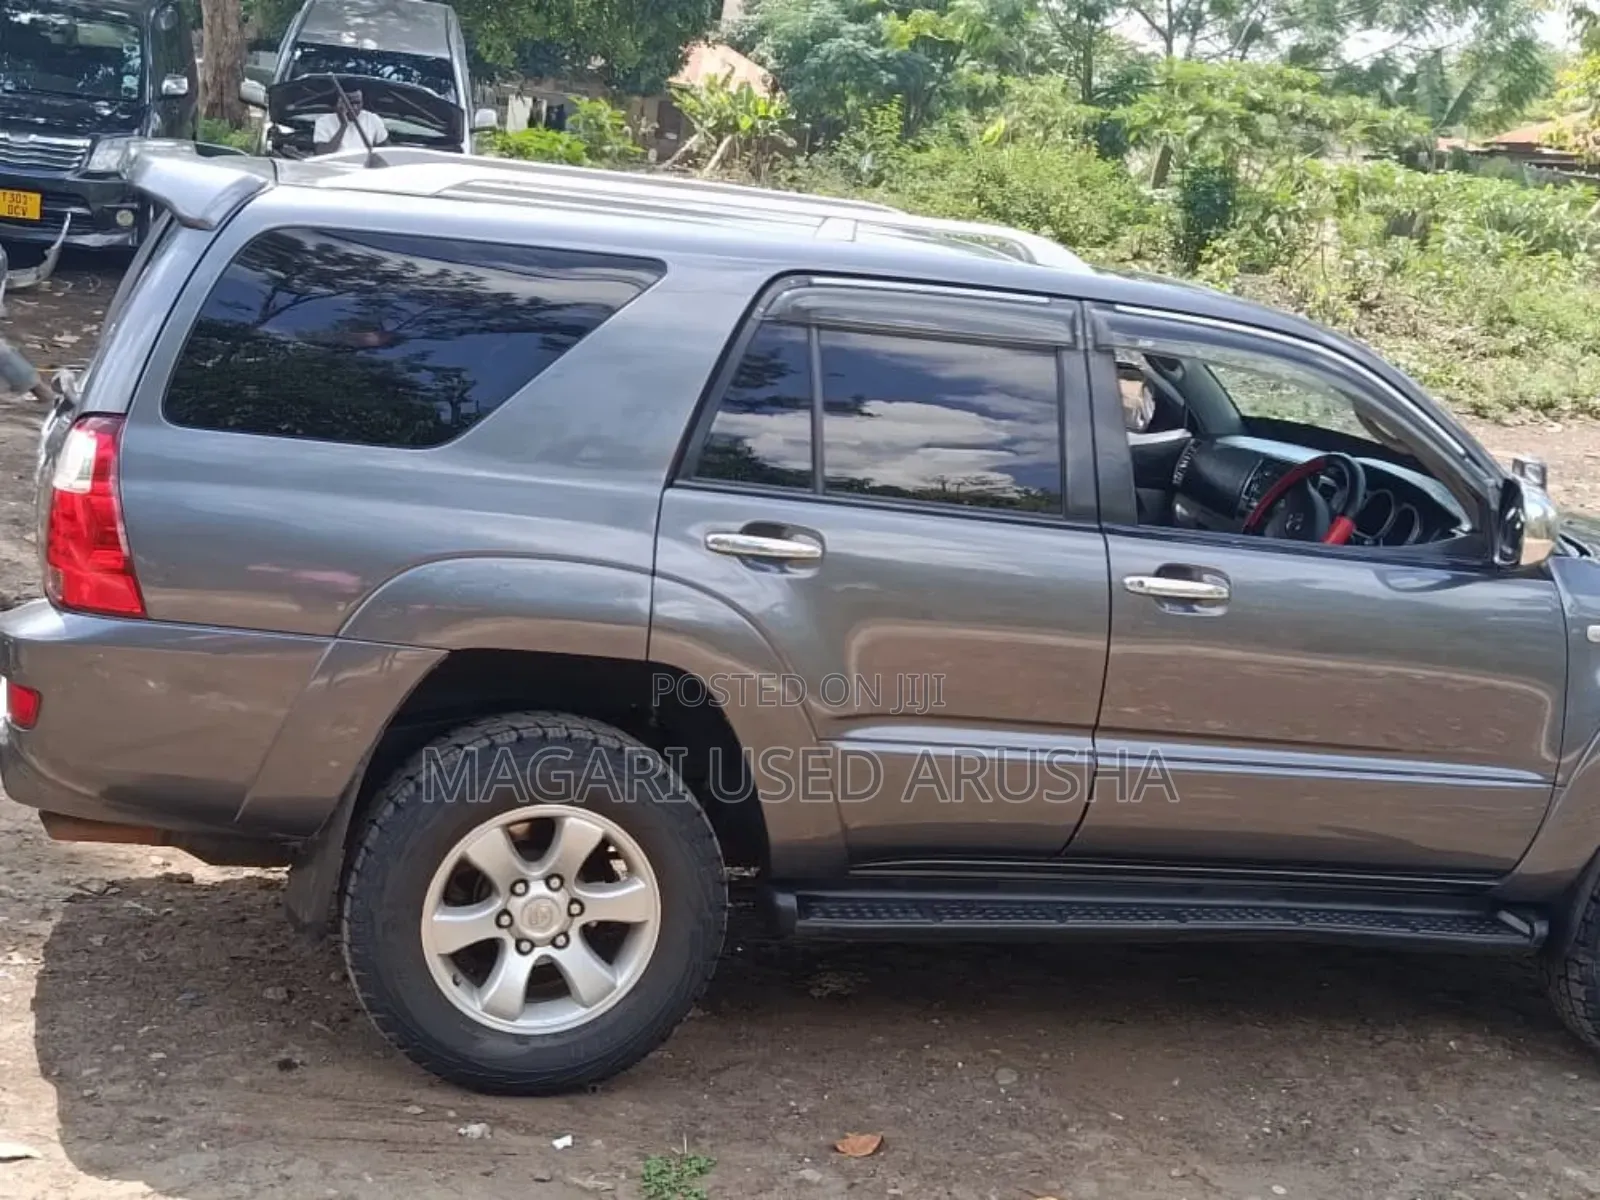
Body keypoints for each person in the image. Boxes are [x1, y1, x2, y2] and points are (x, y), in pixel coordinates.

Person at [312, 89, 388, 156]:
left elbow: (385, 151)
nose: (355, 107)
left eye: (358, 102)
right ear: (339, 103)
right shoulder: (324, 121)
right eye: (350, 103)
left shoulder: (372, 119)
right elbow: (321, 154)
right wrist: (343, 125)